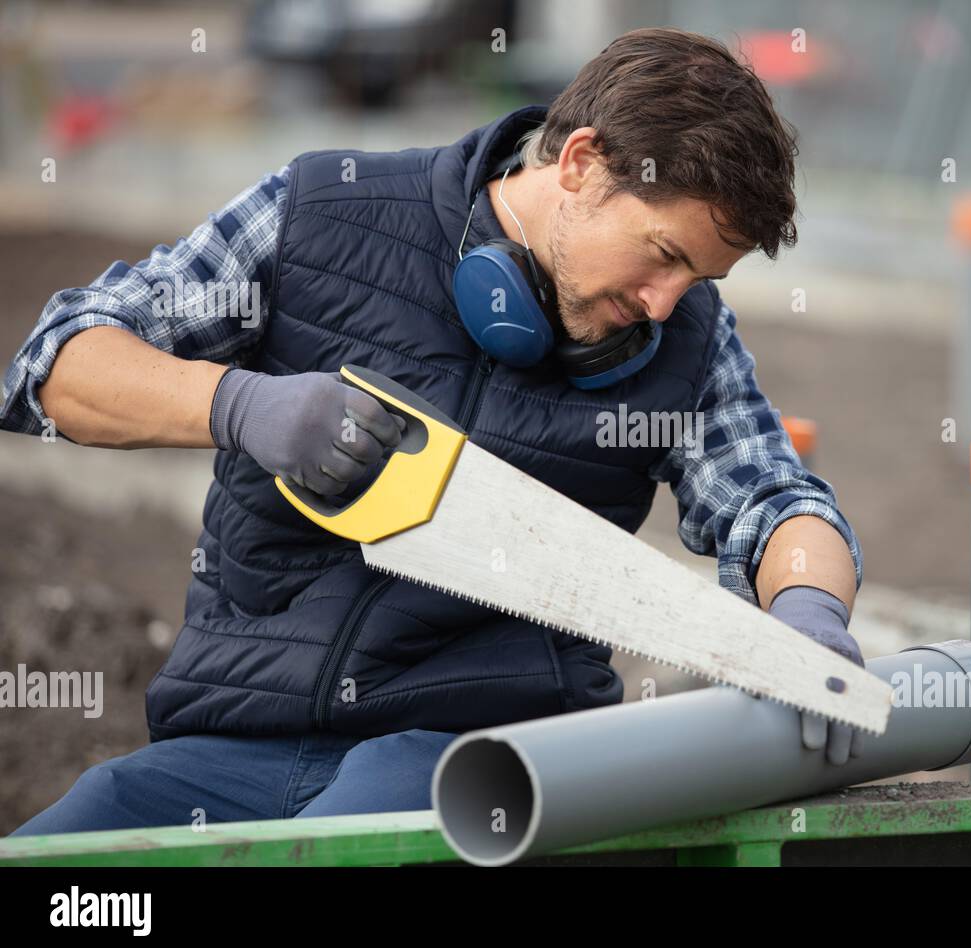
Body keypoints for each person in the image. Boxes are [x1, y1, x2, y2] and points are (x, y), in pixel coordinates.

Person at [1, 27, 868, 837]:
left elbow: (776, 498)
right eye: (665, 255)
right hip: (230, 746)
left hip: (476, 761)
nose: (665, 302)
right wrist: (239, 406)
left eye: (700, 277)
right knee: (75, 854)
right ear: (580, 164)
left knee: (355, 832)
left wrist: (808, 610)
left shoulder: (685, 338)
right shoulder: (320, 212)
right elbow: (58, 365)